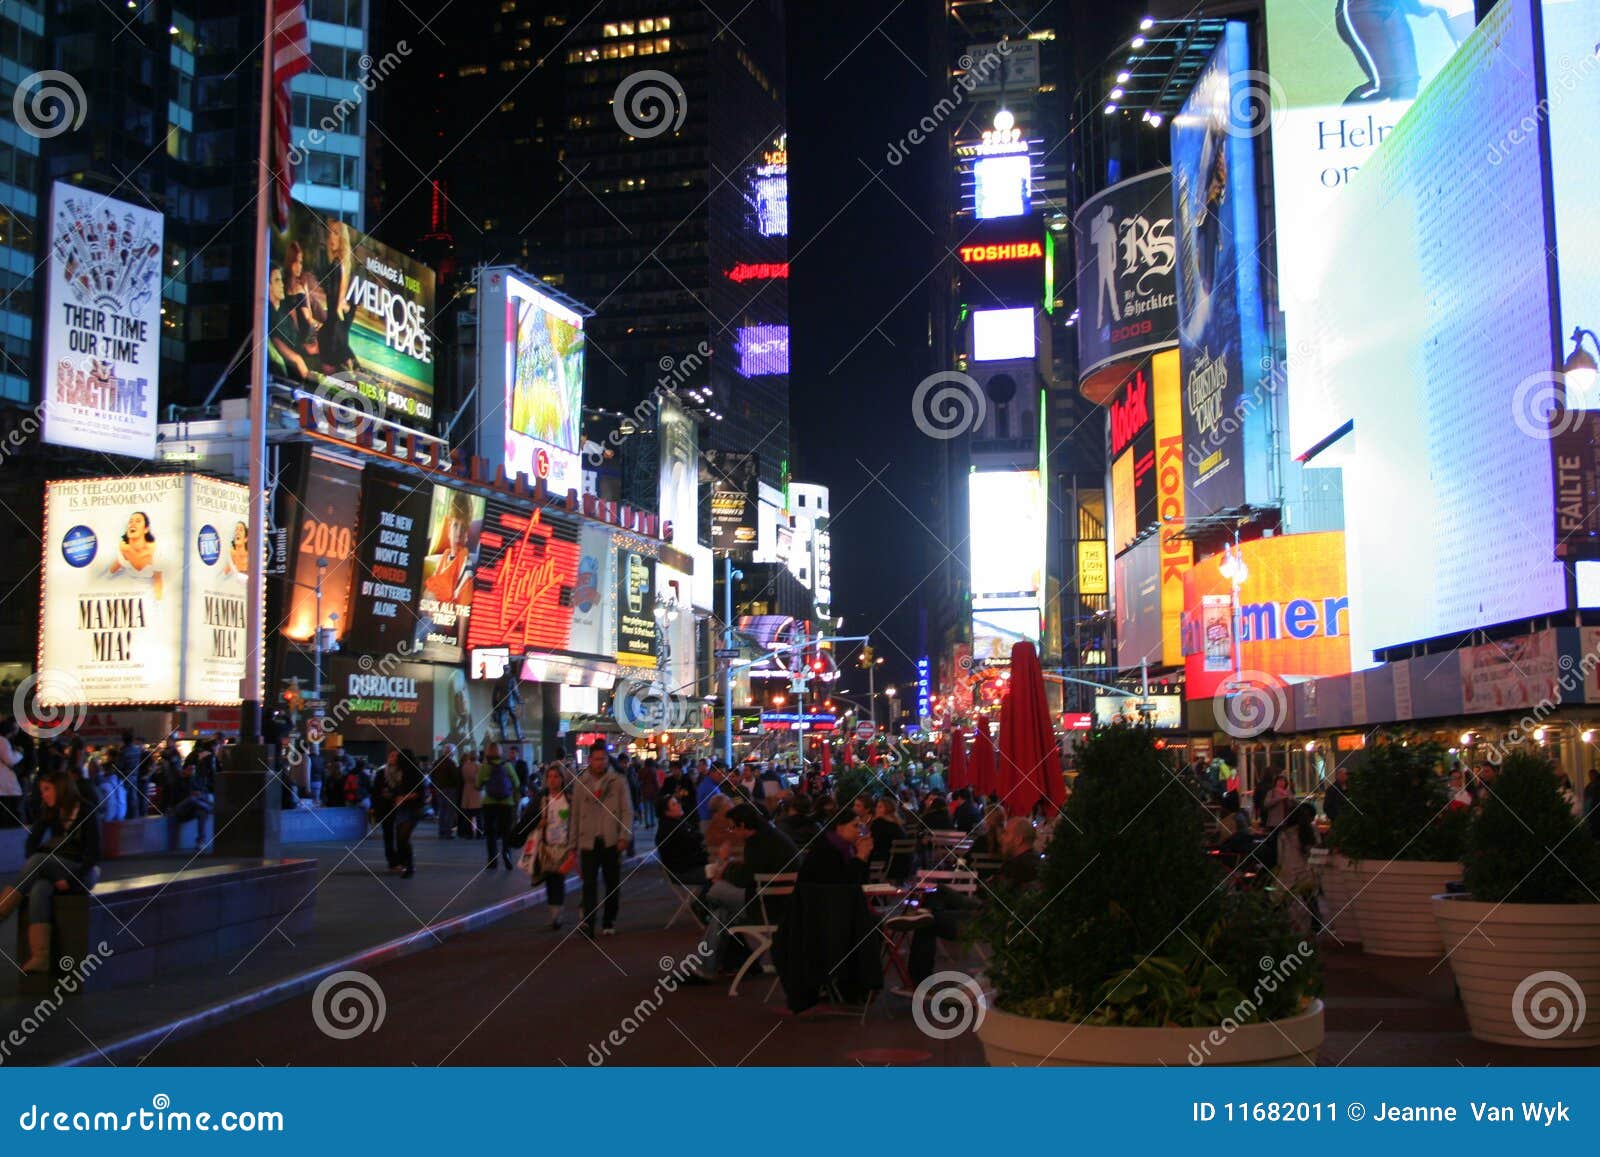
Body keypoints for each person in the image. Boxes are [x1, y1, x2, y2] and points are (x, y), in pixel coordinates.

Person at [0, 770, 101, 972]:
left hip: (81, 871)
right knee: (39, 888)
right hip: (55, 867)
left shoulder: (86, 811)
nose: (43, 795)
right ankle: (41, 955)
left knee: (39, 860)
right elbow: (31, 843)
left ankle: (2, 910)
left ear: (61, 788)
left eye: (47, 790)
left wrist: (71, 881)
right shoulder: (51, 811)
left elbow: (93, 856)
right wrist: (43, 819)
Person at [565, 745, 633, 937]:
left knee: (612, 883)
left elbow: (627, 811)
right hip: (588, 840)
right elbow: (575, 815)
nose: (600, 762)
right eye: (596, 759)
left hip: (611, 839)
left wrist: (624, 836)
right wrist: (572, 844)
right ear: (589, 760)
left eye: (603, 759)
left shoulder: (618, 781)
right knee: (589, 884)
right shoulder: (581, 783)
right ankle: (588, 922)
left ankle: (609, 920)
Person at [531, 764, 574, 930]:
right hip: (546, 845)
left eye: (556, 776)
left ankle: (558, 915)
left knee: (558, 880)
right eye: (549, 777)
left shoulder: (569, 799)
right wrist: (539, 823)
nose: (552, 780)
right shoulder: (544, 799)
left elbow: (574, 821)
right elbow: (534, 819)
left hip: (563, 846)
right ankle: (554, 915)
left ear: (562, 779)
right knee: (549, 880)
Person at [373, 749, 424, 878]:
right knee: (397, 837)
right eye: (392, 756)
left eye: (397, 756)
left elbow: (419, 793)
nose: (395, 759)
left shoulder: (411, 773)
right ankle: (402, 863)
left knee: (402, 838)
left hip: (410, 808)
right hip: (397, 808)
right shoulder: (387, 773)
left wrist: (402, 797)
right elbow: (377, 790)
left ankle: (408, 865)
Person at [477, 741, 522, 871]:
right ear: (500, 752)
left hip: (489, 803)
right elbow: (517, 783)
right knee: (506, 831)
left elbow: (478, 785)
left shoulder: (484, 767)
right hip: (506, 803)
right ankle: (506, 853)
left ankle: (492, 860)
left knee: (491, 833)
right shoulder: (507, 765)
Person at [655, 794, 710, 895]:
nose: (679, 805)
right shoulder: (671, 829)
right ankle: (701, 904)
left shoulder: (677, 823)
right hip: (683, 872)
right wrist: (711, 858)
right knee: (721, 871)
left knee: (720, 869)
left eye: (677, 802)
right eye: (674, 804)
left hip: (688, 867)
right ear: (666, 812)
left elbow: (698, 838)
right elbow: (691, 851)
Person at [168, 740, 215, 851]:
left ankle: (200, 842)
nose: (191, 771)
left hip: (191, 808)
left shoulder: (195, 780)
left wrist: (198, 793)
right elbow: (175, 799)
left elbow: (201, 789)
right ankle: (210, 808)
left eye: (192, 770)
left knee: (201, 812)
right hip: (179, 808)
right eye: (189, 769)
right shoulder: (178, 781)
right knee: (193, 798)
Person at [430, 744, 463, 839]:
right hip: (450, 790)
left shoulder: (437, 762)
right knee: (449, 812)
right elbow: (455, 777)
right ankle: (447, 832)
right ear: (452, 752)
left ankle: (441, 831)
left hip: (439, 789)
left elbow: (432, 775)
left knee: (442, 811)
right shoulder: (450, 763)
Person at [0, 718, 24, 829]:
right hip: (5, 780)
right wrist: (19, 753)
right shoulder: (2, 741)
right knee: (13, 806)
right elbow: (10, 760)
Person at [1584, 770, 1600, 841]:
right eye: (1589, 776)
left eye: (1591, 775)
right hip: (1591, 810)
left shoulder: (1596, 785)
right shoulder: (1590, 786)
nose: (1590, 777)